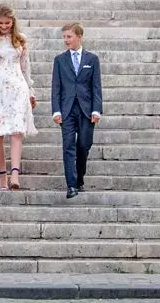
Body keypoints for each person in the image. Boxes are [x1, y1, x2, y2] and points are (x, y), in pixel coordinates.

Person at [0, 5, 37, 191]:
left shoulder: (20, 40)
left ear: (13, 22)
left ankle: (15, 173)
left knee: (16, 131)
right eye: (0, 23)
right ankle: (2, 174)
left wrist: (31, 91)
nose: (4, 26)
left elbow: (25, 66)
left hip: (17, 87)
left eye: (7, 23)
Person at [51, 22, 102, 199]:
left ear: (79, 37)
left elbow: (96, 87)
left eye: (69, 36)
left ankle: (79, 178)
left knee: (83, 145)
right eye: (64, 37)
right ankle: (71, 185)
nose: (66, 40)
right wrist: (56, 111)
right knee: (68, 146)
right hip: (67, 110)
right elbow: (56, 87)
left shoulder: (92, 59)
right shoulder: (59, 60)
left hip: (86, 109)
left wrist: (97, 110)